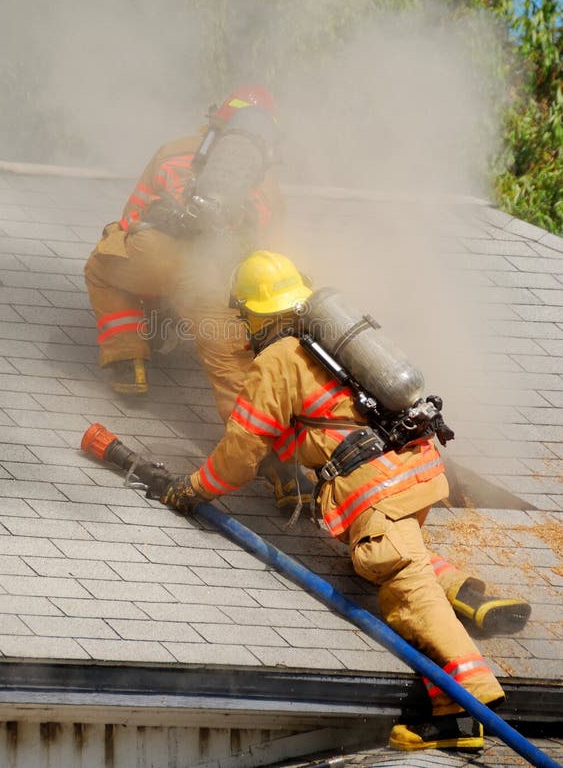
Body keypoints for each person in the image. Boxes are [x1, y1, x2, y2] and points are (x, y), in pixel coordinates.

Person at [141, 250, 532, 753]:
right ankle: (468, 593)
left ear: (256, 313)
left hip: (375, 485)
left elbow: (241, 450)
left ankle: (464, 710)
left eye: (243, 314)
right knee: (397, 548)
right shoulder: (328, 344)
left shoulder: (278, 360)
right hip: (415, 467)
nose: (240, 324)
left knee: (400, 579)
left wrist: (193, 488)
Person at [84, 86, 284, 420]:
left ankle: (127, 360)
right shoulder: (267, 184)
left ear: (215, 118)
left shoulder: (173, 150)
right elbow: (263, 252)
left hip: (156, 255)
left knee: (103, 264)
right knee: (230, 372)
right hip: (212, 276)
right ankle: (263, 452)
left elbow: (131, 217)